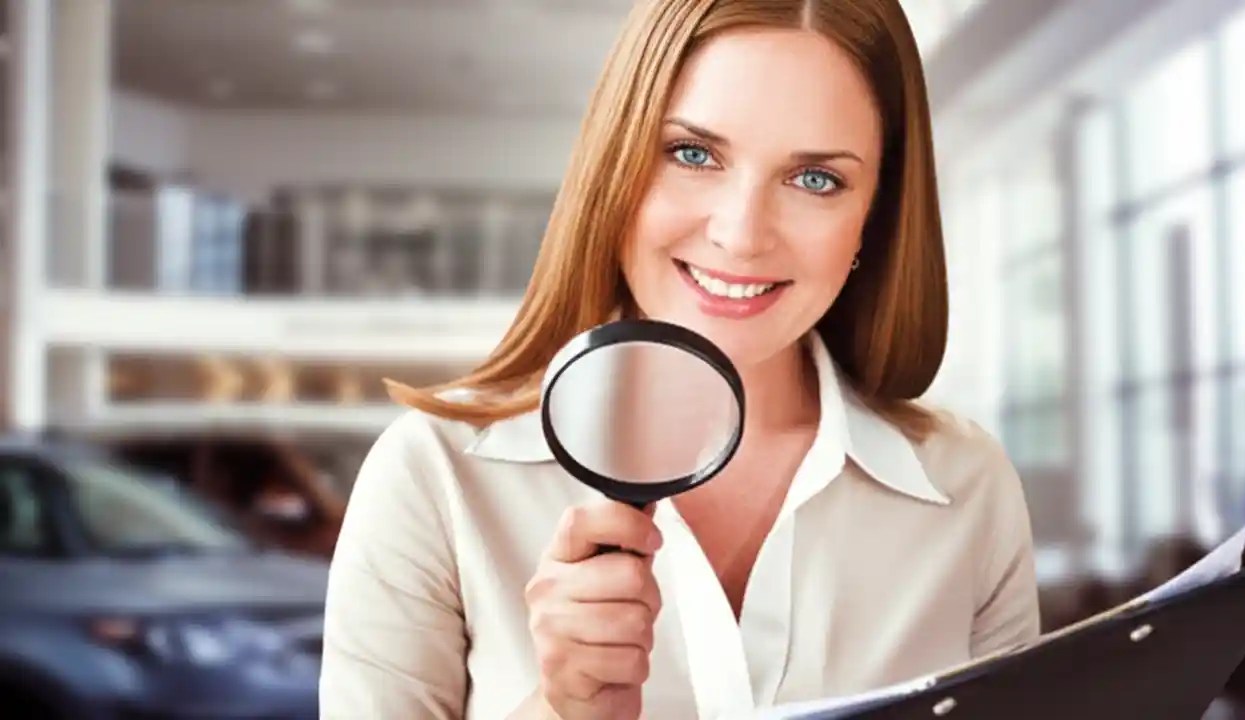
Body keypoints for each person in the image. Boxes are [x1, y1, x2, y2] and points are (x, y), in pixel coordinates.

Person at [318, 0, 1041, 718]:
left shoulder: (964, 487)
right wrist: (558, 710)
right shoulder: (437, 475)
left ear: (874, 220)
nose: (740, 233)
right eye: (693, 154)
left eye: (816, 179)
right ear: (616, 166)